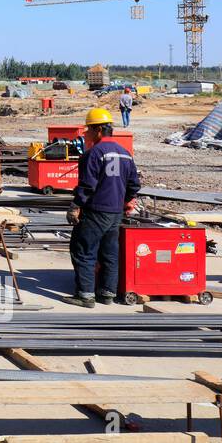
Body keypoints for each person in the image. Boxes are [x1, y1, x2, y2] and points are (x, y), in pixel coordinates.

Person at [65, 107, 141, 307]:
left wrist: (76, 205)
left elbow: (87, 185)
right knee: (109, 253)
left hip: (95, 211)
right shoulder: (125, 154)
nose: (86, 133)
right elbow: (134, 184)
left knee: (83, 250)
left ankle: (85, 296)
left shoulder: (94, 154)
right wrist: (127, 201)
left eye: (88, 129)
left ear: (98, 130)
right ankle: (107, 293)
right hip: (115, 214)